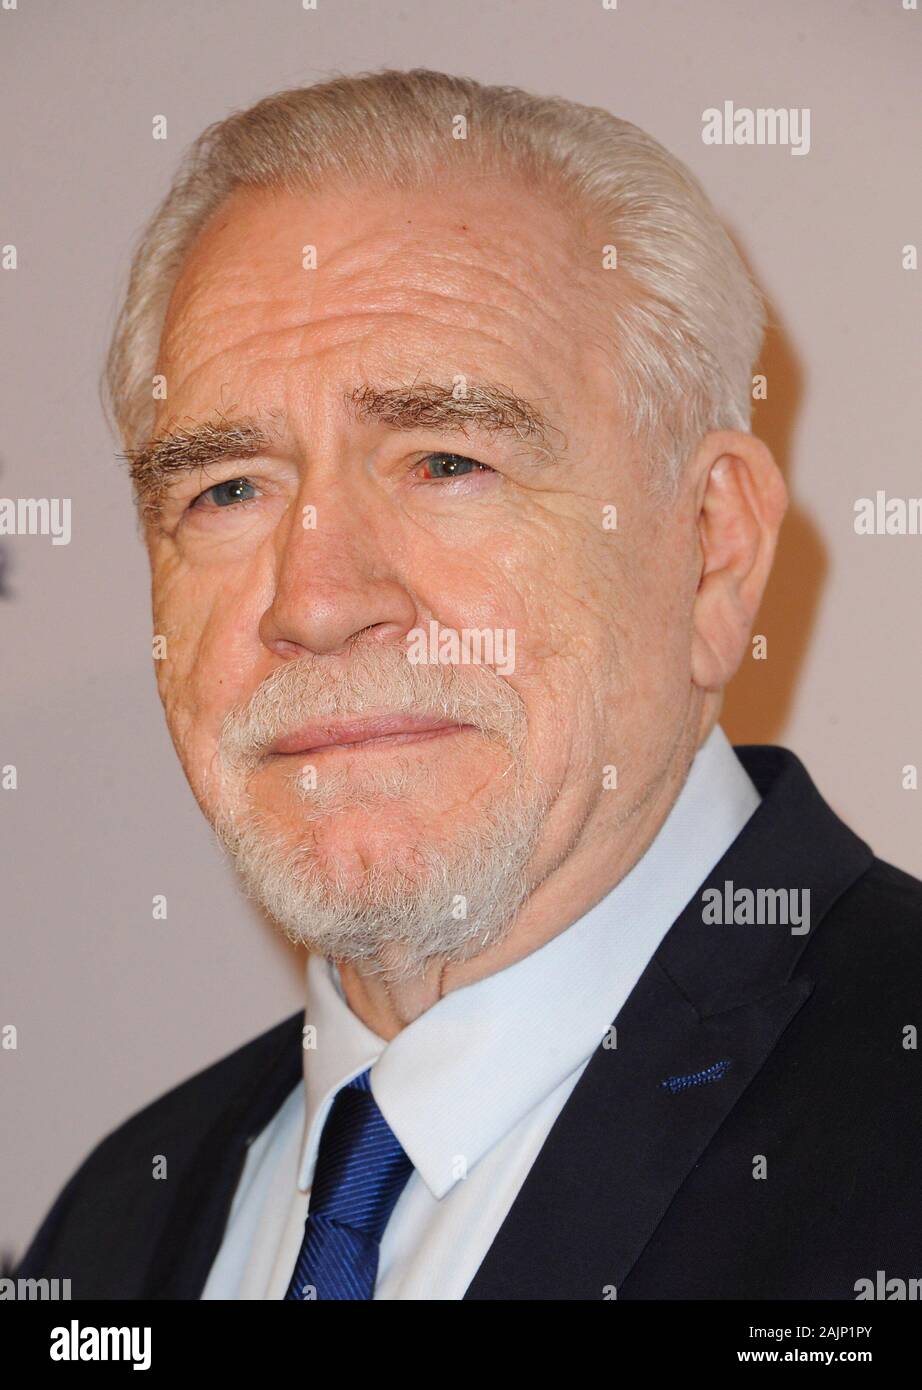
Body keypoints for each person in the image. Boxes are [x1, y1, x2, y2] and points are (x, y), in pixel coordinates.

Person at [15, 68, 922, 1300]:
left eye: (447, 460)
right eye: (227, 489)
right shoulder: (116, 1225)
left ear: (711, 546)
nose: (316, 598)